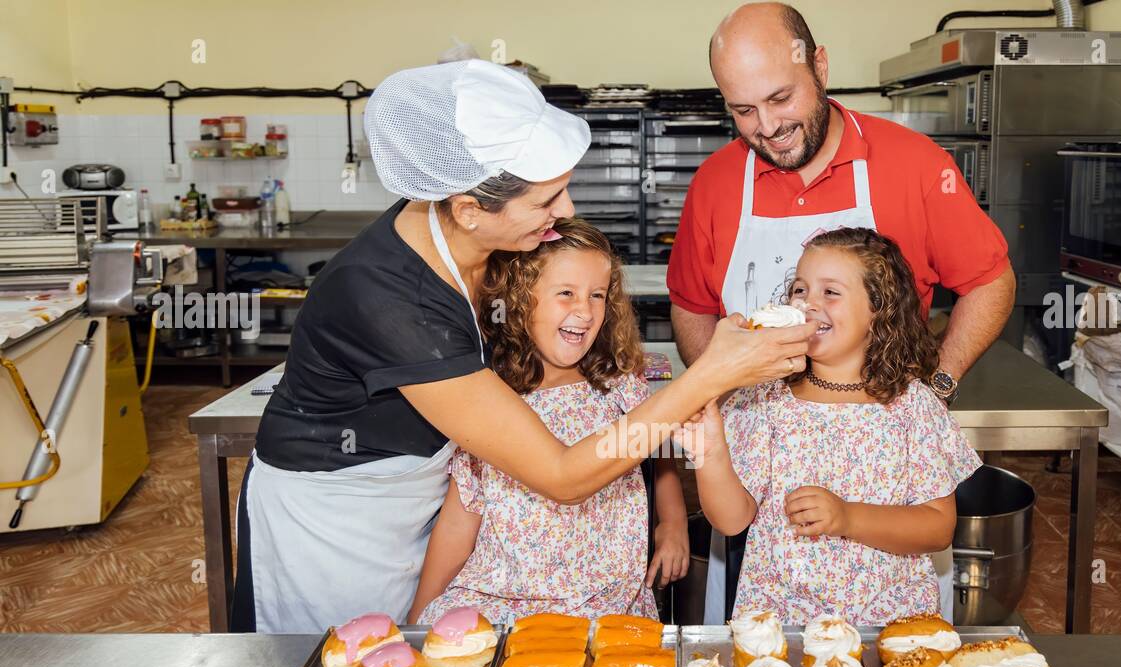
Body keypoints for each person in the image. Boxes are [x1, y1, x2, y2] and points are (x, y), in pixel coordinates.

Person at [232, 60, 815, 634]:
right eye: (545, 201)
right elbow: (560, 474)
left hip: (420, 496)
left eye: (564, 191)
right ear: (468, 211)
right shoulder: (387, 299)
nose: (565, 212)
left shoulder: (478, 235)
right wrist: (711, 372)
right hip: (337, 521)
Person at [667, 2, 1015, 622]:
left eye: (780, 99)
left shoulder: (914, 165)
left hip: (886, 576)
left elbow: (990, 281)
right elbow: (692, 304)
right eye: (743, 110)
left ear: (819, 66)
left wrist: (936, 387)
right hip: (767, 529)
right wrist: (718, 396)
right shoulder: (716, 183)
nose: (767, 126)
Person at [678, 227, 981, 623]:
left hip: (887, 620)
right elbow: (732, 520)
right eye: (800, 290)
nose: (808, 304)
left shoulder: (914, 406)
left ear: (879, 309)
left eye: (830, 293)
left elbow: (938, 527)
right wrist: (712, 453)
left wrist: (848, 517)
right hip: (782, 619)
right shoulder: (763, 398)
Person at [408, 219, 689, 624]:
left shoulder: (618, 386)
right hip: (500, 599)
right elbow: (459, 519)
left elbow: (659, 454)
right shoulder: (489, 396)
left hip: (603, 601)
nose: (585, 310)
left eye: (597, 296)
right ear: (521, 300)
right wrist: (419, 619)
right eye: (566, 293)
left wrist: (673, 524)